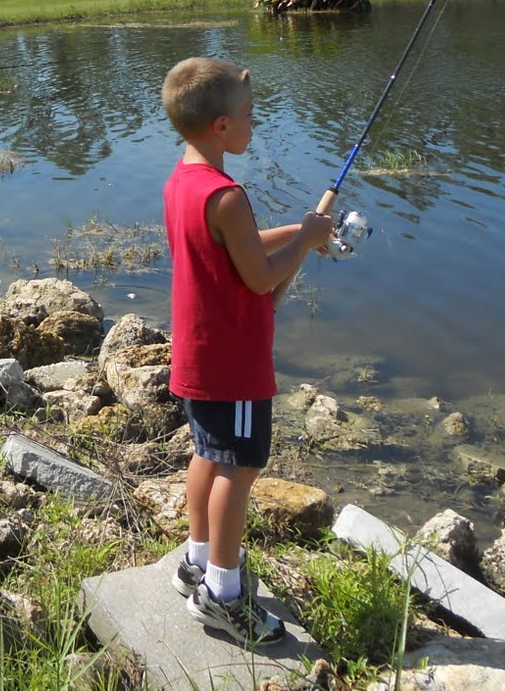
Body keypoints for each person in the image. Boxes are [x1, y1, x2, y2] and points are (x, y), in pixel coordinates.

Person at [160, 57, 333, 646]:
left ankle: (195, 561)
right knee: (241, 466)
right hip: (234, 362)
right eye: (249, 116)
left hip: (198, 353)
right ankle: (223, 594)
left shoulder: (184, 182)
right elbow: (259, 280)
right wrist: (307, 241)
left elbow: (240, 252)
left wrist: (300, 232)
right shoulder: (229, 195)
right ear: (221, 129)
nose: (254, 123)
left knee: (208, 454)